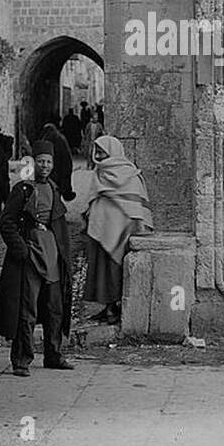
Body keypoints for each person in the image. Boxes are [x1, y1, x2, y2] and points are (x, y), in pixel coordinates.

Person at [0, 141, 75, 376]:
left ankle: (54, 355)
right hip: (30, 253)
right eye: (41, 161)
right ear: (33, 162)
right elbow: (6, 223)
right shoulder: (23, 189)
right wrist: (21, 250)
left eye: (48, 162)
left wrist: (64, 254)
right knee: (26, 309)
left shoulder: (55, 189)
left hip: (52, 254)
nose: (44, 166)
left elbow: (59, 224)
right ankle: (21, 359)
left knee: (54, 307)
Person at [82, 135, 153, 325]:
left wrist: (135, 227)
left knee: (115, 270)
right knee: (101, 271)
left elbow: (135, 204)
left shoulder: (129, 174)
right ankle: (106, 306)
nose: (98, 155)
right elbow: (94, 197)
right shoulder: (100, 173)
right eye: (96, 151)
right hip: (101, 230)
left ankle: (115, 308)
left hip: (121, 232)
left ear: (113, 151)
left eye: (102, 151)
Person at [40, 121, 76, 202]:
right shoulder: (61, 139)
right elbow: (67, 159)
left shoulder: (45, 141)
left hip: (50, 173)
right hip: (59, 172)